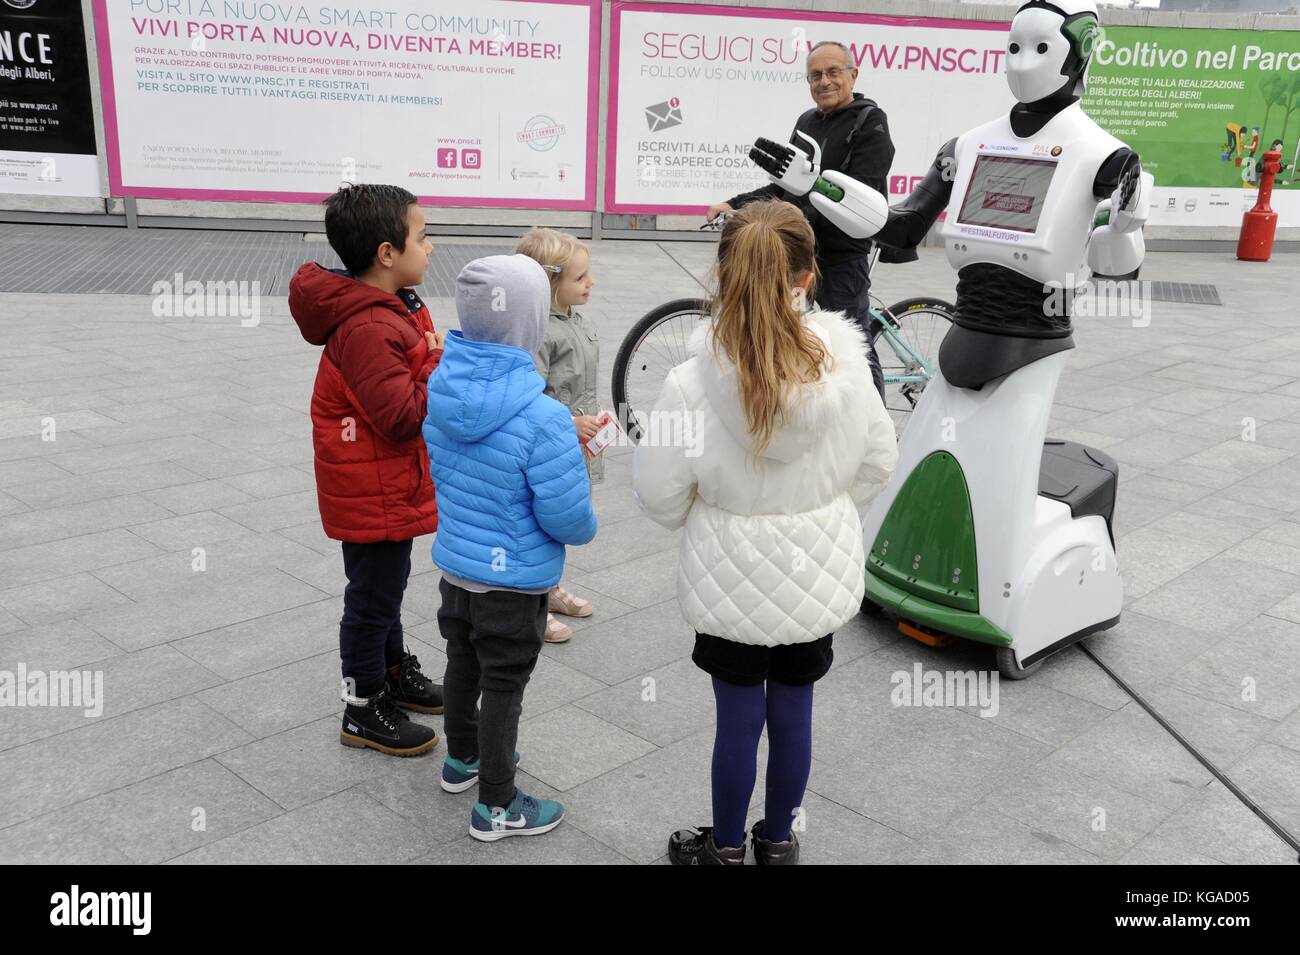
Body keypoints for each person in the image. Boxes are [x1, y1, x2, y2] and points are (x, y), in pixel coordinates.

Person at [632, 200, 898, 864]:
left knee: (737, 717)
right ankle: (778, 843)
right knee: (794, 711)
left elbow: (659, 495)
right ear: (808, 276)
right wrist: (822, 502)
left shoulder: (690, 381)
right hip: (816, 569)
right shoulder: (849, 365)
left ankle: (722, 849)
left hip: (730, 576)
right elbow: (878, 460)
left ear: (724, 274)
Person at [423, 254, 598, 841]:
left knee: (462, 663)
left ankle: (462, 760)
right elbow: (569, 520)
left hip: (457, 572)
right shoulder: (545, 417)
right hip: (515, 583)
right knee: (505, 685)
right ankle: (497, 805)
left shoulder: (441, 395)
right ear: (531, 323)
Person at [288, 183, 446, 758]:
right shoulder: (367, 327)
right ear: (386, 253)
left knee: (386, 585)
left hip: (382, 482)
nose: (432, 246)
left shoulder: (393, 303)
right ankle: (362, 707)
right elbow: (401, 416)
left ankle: (393, 673)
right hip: (370, 487)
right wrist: (434, 361)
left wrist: (426, 352)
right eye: (423, 236)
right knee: (372, 595)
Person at [707, 40, 897, 402]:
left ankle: (875, 425)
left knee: (852, 347)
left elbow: (861, 190)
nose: (824, 82)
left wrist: (805, 203)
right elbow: (785, 185)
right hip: (797, 254)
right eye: (815, 76)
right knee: (804, 338)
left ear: (853, 75)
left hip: (841, 257)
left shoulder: (869, 121)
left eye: (833, 72)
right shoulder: (807, 122)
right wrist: (735, 204)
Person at [515, 226, 602, 644]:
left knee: (558, 521)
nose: (590, 282)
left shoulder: (573, 320)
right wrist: (569, 423)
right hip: (549, 449)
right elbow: (529, 400)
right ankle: (532, 604)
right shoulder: (539, 333)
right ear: (550, 284)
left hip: (573, 445)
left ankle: (547, 590)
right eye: (579, 277)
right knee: (540, 526)